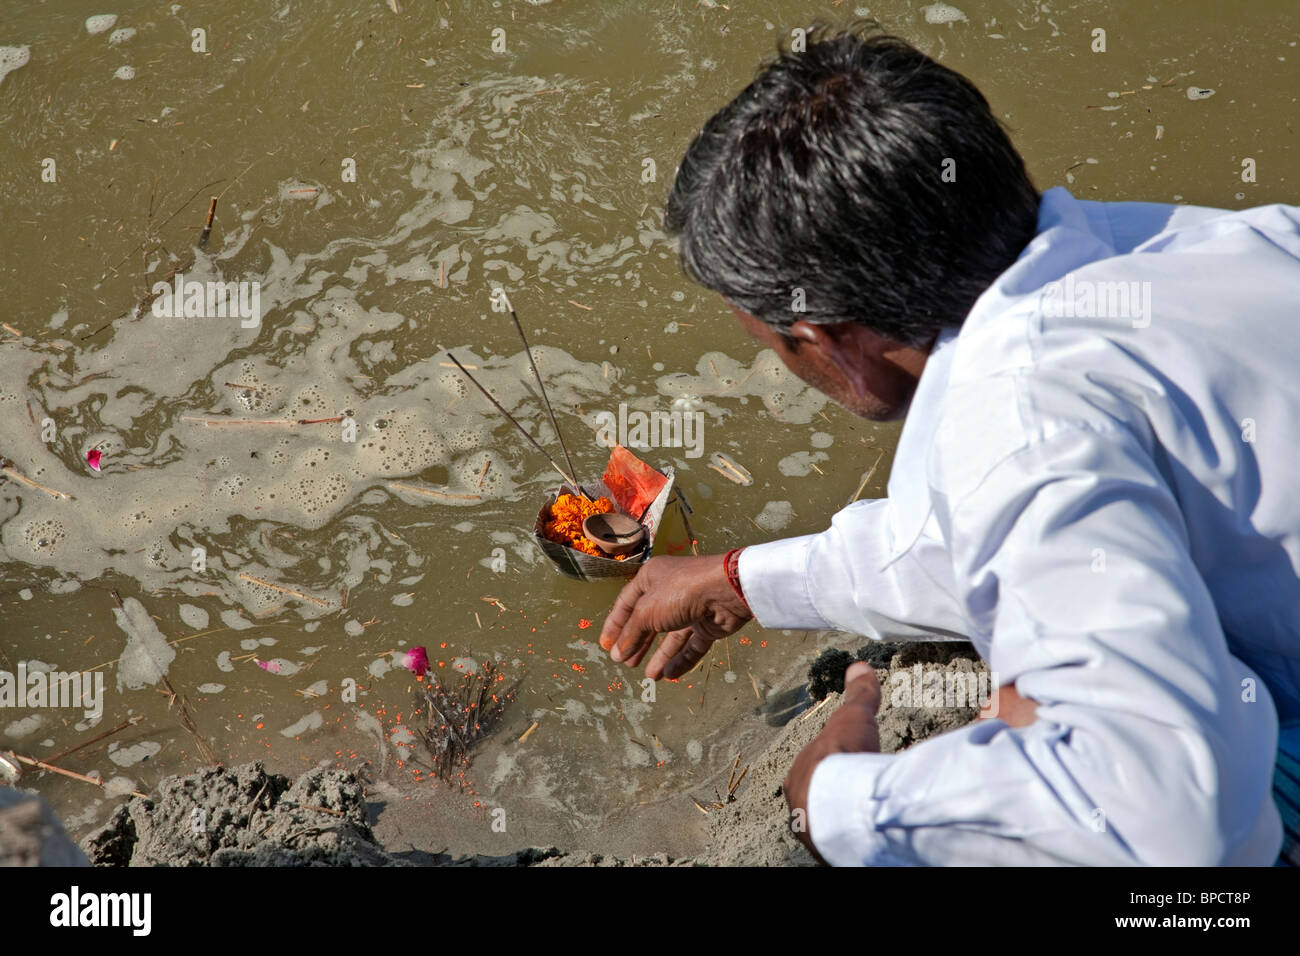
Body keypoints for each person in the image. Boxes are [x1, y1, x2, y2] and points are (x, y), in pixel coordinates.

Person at [598, 22, 1300, 866]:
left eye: (772, 344)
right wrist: (747, 580)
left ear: (825, 340)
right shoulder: (1221, 241)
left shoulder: (1021, 415)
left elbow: (1173, 826)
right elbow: (1012, 521)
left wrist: (845, 807)